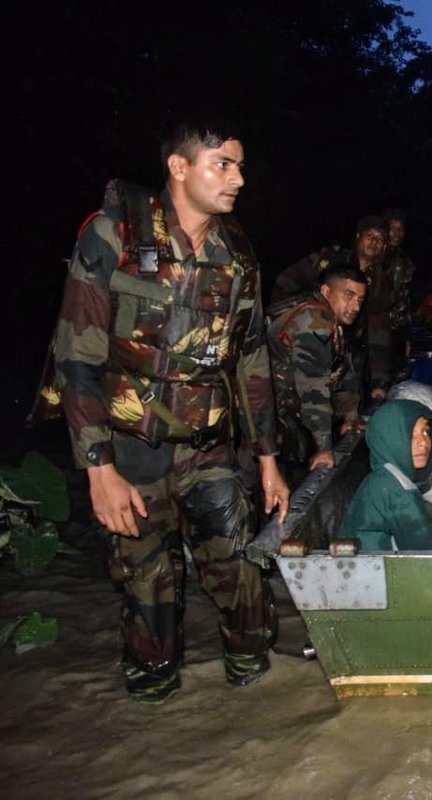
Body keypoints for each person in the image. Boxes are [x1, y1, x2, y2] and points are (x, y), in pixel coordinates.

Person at [52, 120, 288, 702]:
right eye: (223, 165)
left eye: (240, 166)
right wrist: (98, 469)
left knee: (237, 567)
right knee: (147, 583)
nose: (238, 178)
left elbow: (251, 358)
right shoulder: (114, 236)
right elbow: (76, 355)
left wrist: (268, 459)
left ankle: (256, 691)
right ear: (179, 168)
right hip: (130, 449)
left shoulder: (238, 253)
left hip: (210, 445)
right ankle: (154, 693)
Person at [272, 216, 394, 398]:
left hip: (344, 349)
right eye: (370, 235)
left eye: (380, 238)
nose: (374, 241)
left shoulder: (380, 282)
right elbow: (286, 280)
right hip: (308, 338)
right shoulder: (330, 259)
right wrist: (280, 319)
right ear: (358, 236)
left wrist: (379, 381)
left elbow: (379, 333)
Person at [266, 264, 365, 483]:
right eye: (349, 296)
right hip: (265, 416)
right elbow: (314, 386)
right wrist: (324, 447)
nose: (355, 306)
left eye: (360, 299)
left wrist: (351, 416)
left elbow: (343, 371)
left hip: (285, 415)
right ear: (326, 292)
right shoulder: (315, 317)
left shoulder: (334, 324)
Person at [339, 399, 432, 550]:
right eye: (410, 434)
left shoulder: (382, 476)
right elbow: (424, 555)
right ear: (391, 439)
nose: (423, 442)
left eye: (425, 431)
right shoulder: (398, 491)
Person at [382, 207, 417, 373]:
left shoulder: (405, 260)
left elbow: (406, 299)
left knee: (399, 375)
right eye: (392, 228)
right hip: (376, 329)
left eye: (400, 229)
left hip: (398, 331)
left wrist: (407, 337)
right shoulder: (374, 255)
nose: (396, 233)